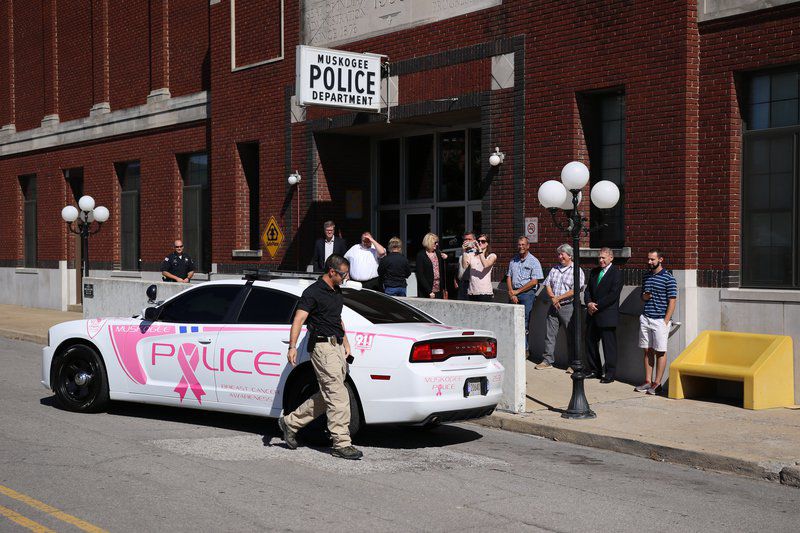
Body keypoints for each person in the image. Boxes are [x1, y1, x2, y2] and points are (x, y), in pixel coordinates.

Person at [278, 254, 363, 460]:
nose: (346, 277)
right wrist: (292, 347)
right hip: (322, 348)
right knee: (338, 396)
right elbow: (299, 320)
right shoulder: (312, 292)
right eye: (343, 274)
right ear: (332, 272)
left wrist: (346, 342)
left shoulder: (336, 291)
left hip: (336, 347)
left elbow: (337, 318)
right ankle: (341, 443)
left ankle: (291, 422)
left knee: (328, 395)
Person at [537, 244, 586, 370]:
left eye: (562, 254)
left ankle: (573, 363)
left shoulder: (576, 270)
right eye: (558, 254)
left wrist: (558, 298)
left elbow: (575, 290)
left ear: (569, 255)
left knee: (571, 335)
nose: (560, 257)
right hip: (554, 305)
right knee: (550, 334)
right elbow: (547, 284)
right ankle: (547, 360)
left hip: (568, 306)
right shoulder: (554, 269)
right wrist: (554, 298)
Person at [636, 249, 678, 395]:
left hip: (660, 319)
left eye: (652, 260)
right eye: (648, 259)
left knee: (660, 351)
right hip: (646, 317)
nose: (649, 262)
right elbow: (643, 297)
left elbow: (672, 301)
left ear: (660, 260)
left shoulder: (668, 278)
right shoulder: (646, 276)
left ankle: (657, 383)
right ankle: (648, 381)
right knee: (647, 350)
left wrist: (666, 321)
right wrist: (645, 297)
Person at [584, 247, 623, 383]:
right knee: (590, 342)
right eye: (599, 258)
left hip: (606, 315)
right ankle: (595, 370)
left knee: (609, 346)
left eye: (603, 258)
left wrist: (597, 306)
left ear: (611, 258)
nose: (600, 260)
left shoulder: (616, 273)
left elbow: (613, 295)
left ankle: (610, 374)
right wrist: (588, 303)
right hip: (592, 314)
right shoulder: (594, 272)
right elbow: (587, 290)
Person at [506, 236, 543, 354]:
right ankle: (513, 348)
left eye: (523, 245)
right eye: (519, 245)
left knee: (524, 322)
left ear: (528, 246)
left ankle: (524, 349)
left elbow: (534, 282)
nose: (521, 247)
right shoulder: (513, 260)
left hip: (527, 295)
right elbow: (509, 277)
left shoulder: (534, 261)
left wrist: (518, 292)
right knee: (511, 321)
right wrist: (512, 292)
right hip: (514, 294)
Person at [415, 233, 449, 299]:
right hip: (427, 291)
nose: (437, 244)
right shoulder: (421, 255)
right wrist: (429, 291)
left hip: (439, 290)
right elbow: (420, 275)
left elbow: (444, 270)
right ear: (429, 242)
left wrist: (446, 259)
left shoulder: (438, 253)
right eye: (435, 242)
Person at [464, 233, 496, 301]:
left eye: (483, 241)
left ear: (487, 243)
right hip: (472, 291)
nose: (480, 243)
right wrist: (464, 251)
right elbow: (464, 266)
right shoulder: (472, 254)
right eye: (479, 241)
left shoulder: (492, 256)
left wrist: (479, 250)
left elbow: (485, 265)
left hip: (485, 292)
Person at [456, 231, 476, 300]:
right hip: (461, 283)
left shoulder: (477, 253)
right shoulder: (462, 252)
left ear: (474, 241)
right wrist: (455, 279)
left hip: (471, 284)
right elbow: (459, 267)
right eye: (465, 239)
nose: (467, 241)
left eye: (469, 239)